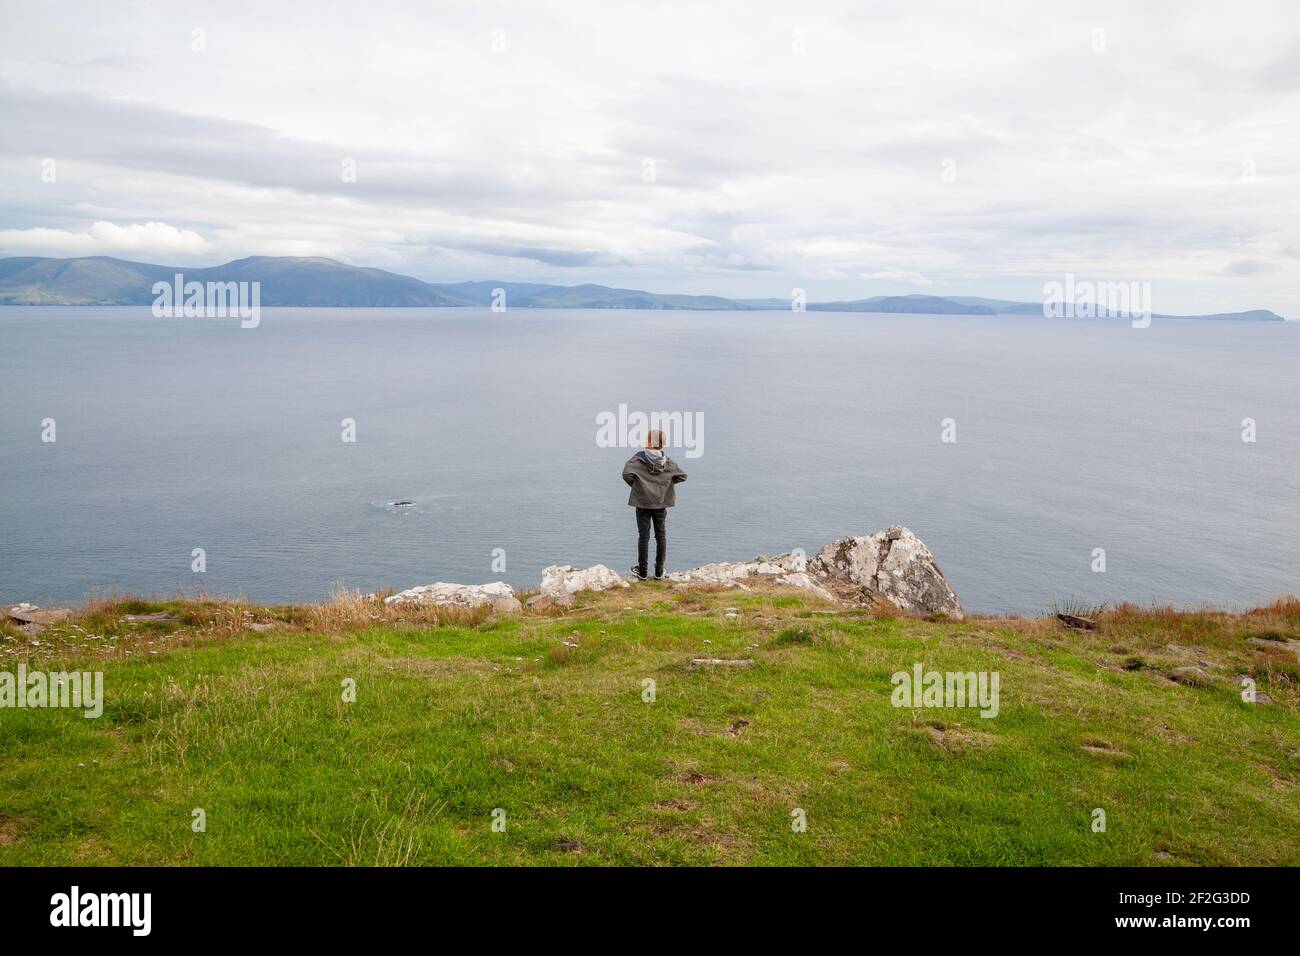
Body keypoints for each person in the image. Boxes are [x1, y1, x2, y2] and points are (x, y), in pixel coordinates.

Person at [622, 428, 687, 580]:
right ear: (662, 444)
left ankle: (643, 572)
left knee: (643, 536)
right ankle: (659, 571)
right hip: (660, 503)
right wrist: (664, 486)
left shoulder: (638, 460)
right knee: (661, 536)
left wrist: (639, 487)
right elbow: (682, 476)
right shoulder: (668, 462)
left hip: (643, 503)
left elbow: (626, 473)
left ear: (650, 442)